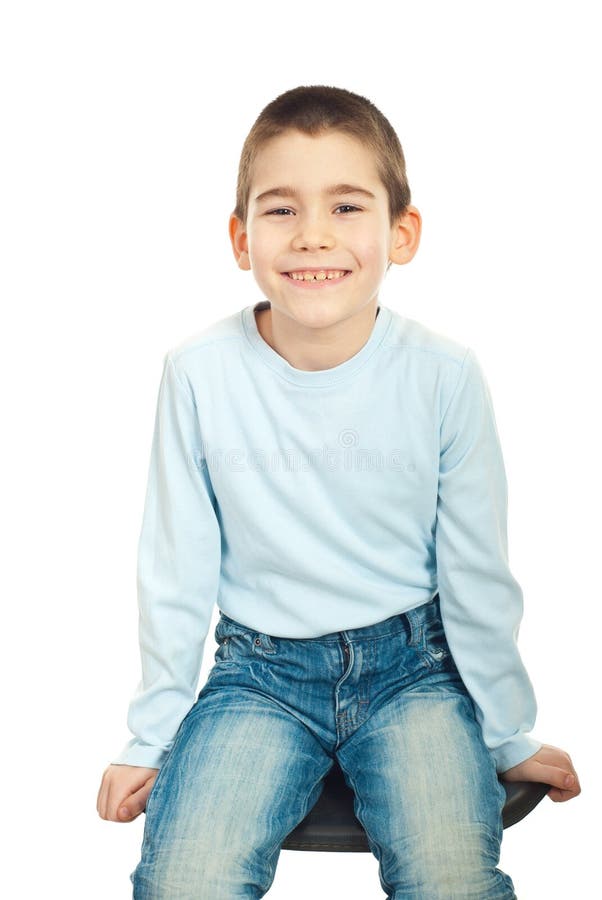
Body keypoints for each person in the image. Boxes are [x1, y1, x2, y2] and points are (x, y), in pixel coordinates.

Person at [96, 85, 580, 898]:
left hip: (414, 670)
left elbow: (476, 574)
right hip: (258, 673)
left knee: (453, 877)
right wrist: (149, 738)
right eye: (281, 211)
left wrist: (506, 731)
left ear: (402, 232)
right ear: (240, 237)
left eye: (346, 206)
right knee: (185, 879)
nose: (313, 235)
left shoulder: (444, 376)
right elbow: (174, 569)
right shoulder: (198, 374)